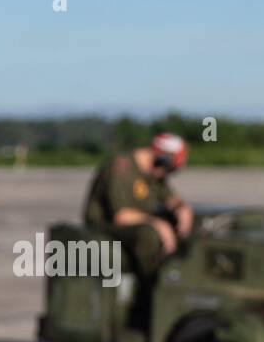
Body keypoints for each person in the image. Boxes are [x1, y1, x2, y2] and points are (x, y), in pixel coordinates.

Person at [83, 132, 194, 327]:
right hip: (107, 227)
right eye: (170, 168)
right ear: (161, 158)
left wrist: (182, 208)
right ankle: (149, 297)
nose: (168, 174)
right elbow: (121, 215)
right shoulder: (122, 168)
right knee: (149, 236)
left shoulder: (153, 172)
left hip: (136, 223)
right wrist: (158, 225)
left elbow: (168, 197)